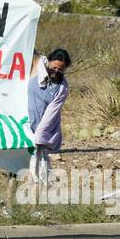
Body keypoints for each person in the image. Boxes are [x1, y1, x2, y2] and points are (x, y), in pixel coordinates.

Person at [27, 48, 71, 184]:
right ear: (49, 62)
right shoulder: (37, 67)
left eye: (60, 69)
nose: (56, 71)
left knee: (38, 162)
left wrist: (39, 136)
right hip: (23, 121)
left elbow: (51, 113)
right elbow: (27, 43)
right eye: (54, 67)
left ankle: (39, 191)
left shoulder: (62, 88)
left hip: (41, 126)